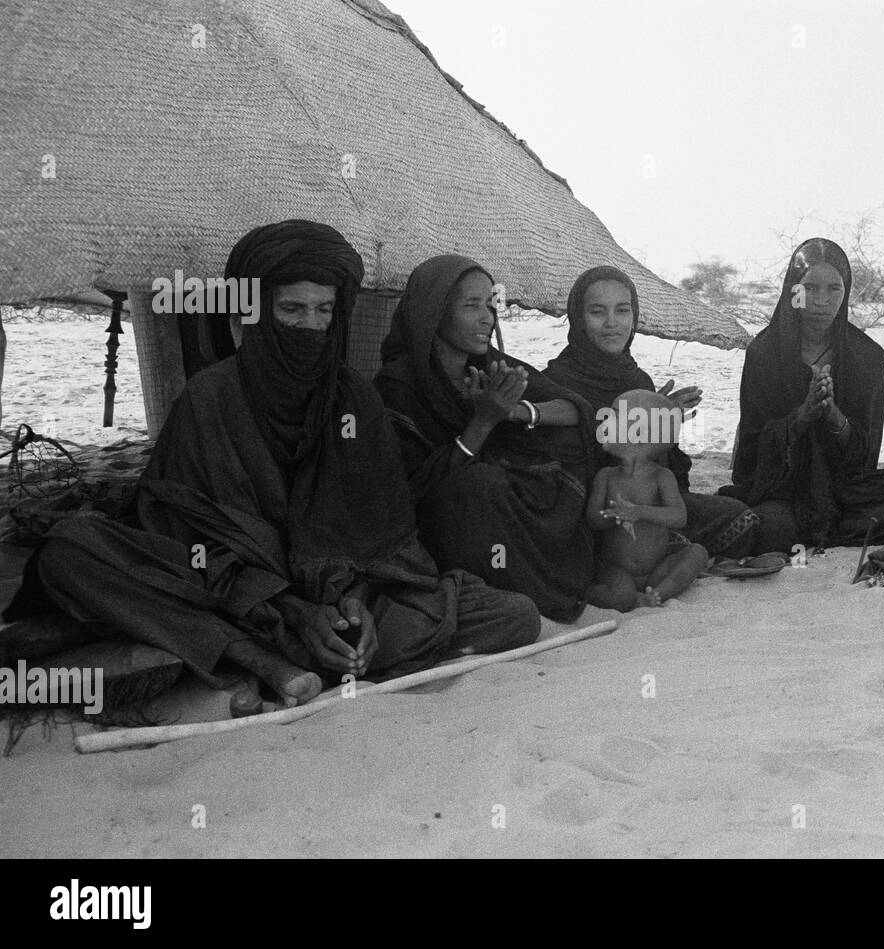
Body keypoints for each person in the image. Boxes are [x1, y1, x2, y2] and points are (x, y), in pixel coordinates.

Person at [2, 221, 540, 711]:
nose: (310, 327)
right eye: (292, 311)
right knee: (72, 550)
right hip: (236, 594)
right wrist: (289, 606)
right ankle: (266, 663)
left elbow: (386, 531)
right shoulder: (209, 399)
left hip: (337, 593)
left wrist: (352, 605)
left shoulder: (354, 398)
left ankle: (248, 657)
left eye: (323, 312)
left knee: (512, 614)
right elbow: (179, 529)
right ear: (257, 312)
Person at [374, 254, 597, 622]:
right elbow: (414, 488)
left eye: (491, 306)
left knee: (560, 455)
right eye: (471, 306)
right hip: (433, 528)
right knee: (479, 484)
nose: (487, 318)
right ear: (434, 312)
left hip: (489, 509)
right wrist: (483, 422)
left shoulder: (489, 366)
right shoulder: (398, 385)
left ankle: (544, 585)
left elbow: (578, 410)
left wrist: (516, 412)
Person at [718, 238, 884, 551]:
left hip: (846, 490)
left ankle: (822, 527)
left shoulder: (867, 357)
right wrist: (800, 417)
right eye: (809, 287)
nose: (821, 300)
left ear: (845, 292)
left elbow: (865, 457)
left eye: (833, 289)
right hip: (781, 488)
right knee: (771, 525)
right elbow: (753, 454)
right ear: (792, 291)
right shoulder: (764, 353)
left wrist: (836, 419)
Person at [544, 265, 759, 558]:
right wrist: (633, 427)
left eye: (622, 310)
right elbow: (563, 469)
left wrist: (661, 423)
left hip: (647, 503)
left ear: (634, 317)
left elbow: (661, 472)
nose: (612, 323)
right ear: (579, 319)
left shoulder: (638, 380)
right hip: (592, 511)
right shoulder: (557, 381)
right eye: (597, 312)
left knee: (739, 518)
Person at [586, 389, 710, 610]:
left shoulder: (661, 477)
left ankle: (661, 592)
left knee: (697, 553)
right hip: (616, 568)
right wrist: (613, 516)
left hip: (656, 569)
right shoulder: (606, 476)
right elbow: (593, 519)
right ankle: (581, 593)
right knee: (622, 599)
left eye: (615, 417)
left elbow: (679, 517)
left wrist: (640, 512)